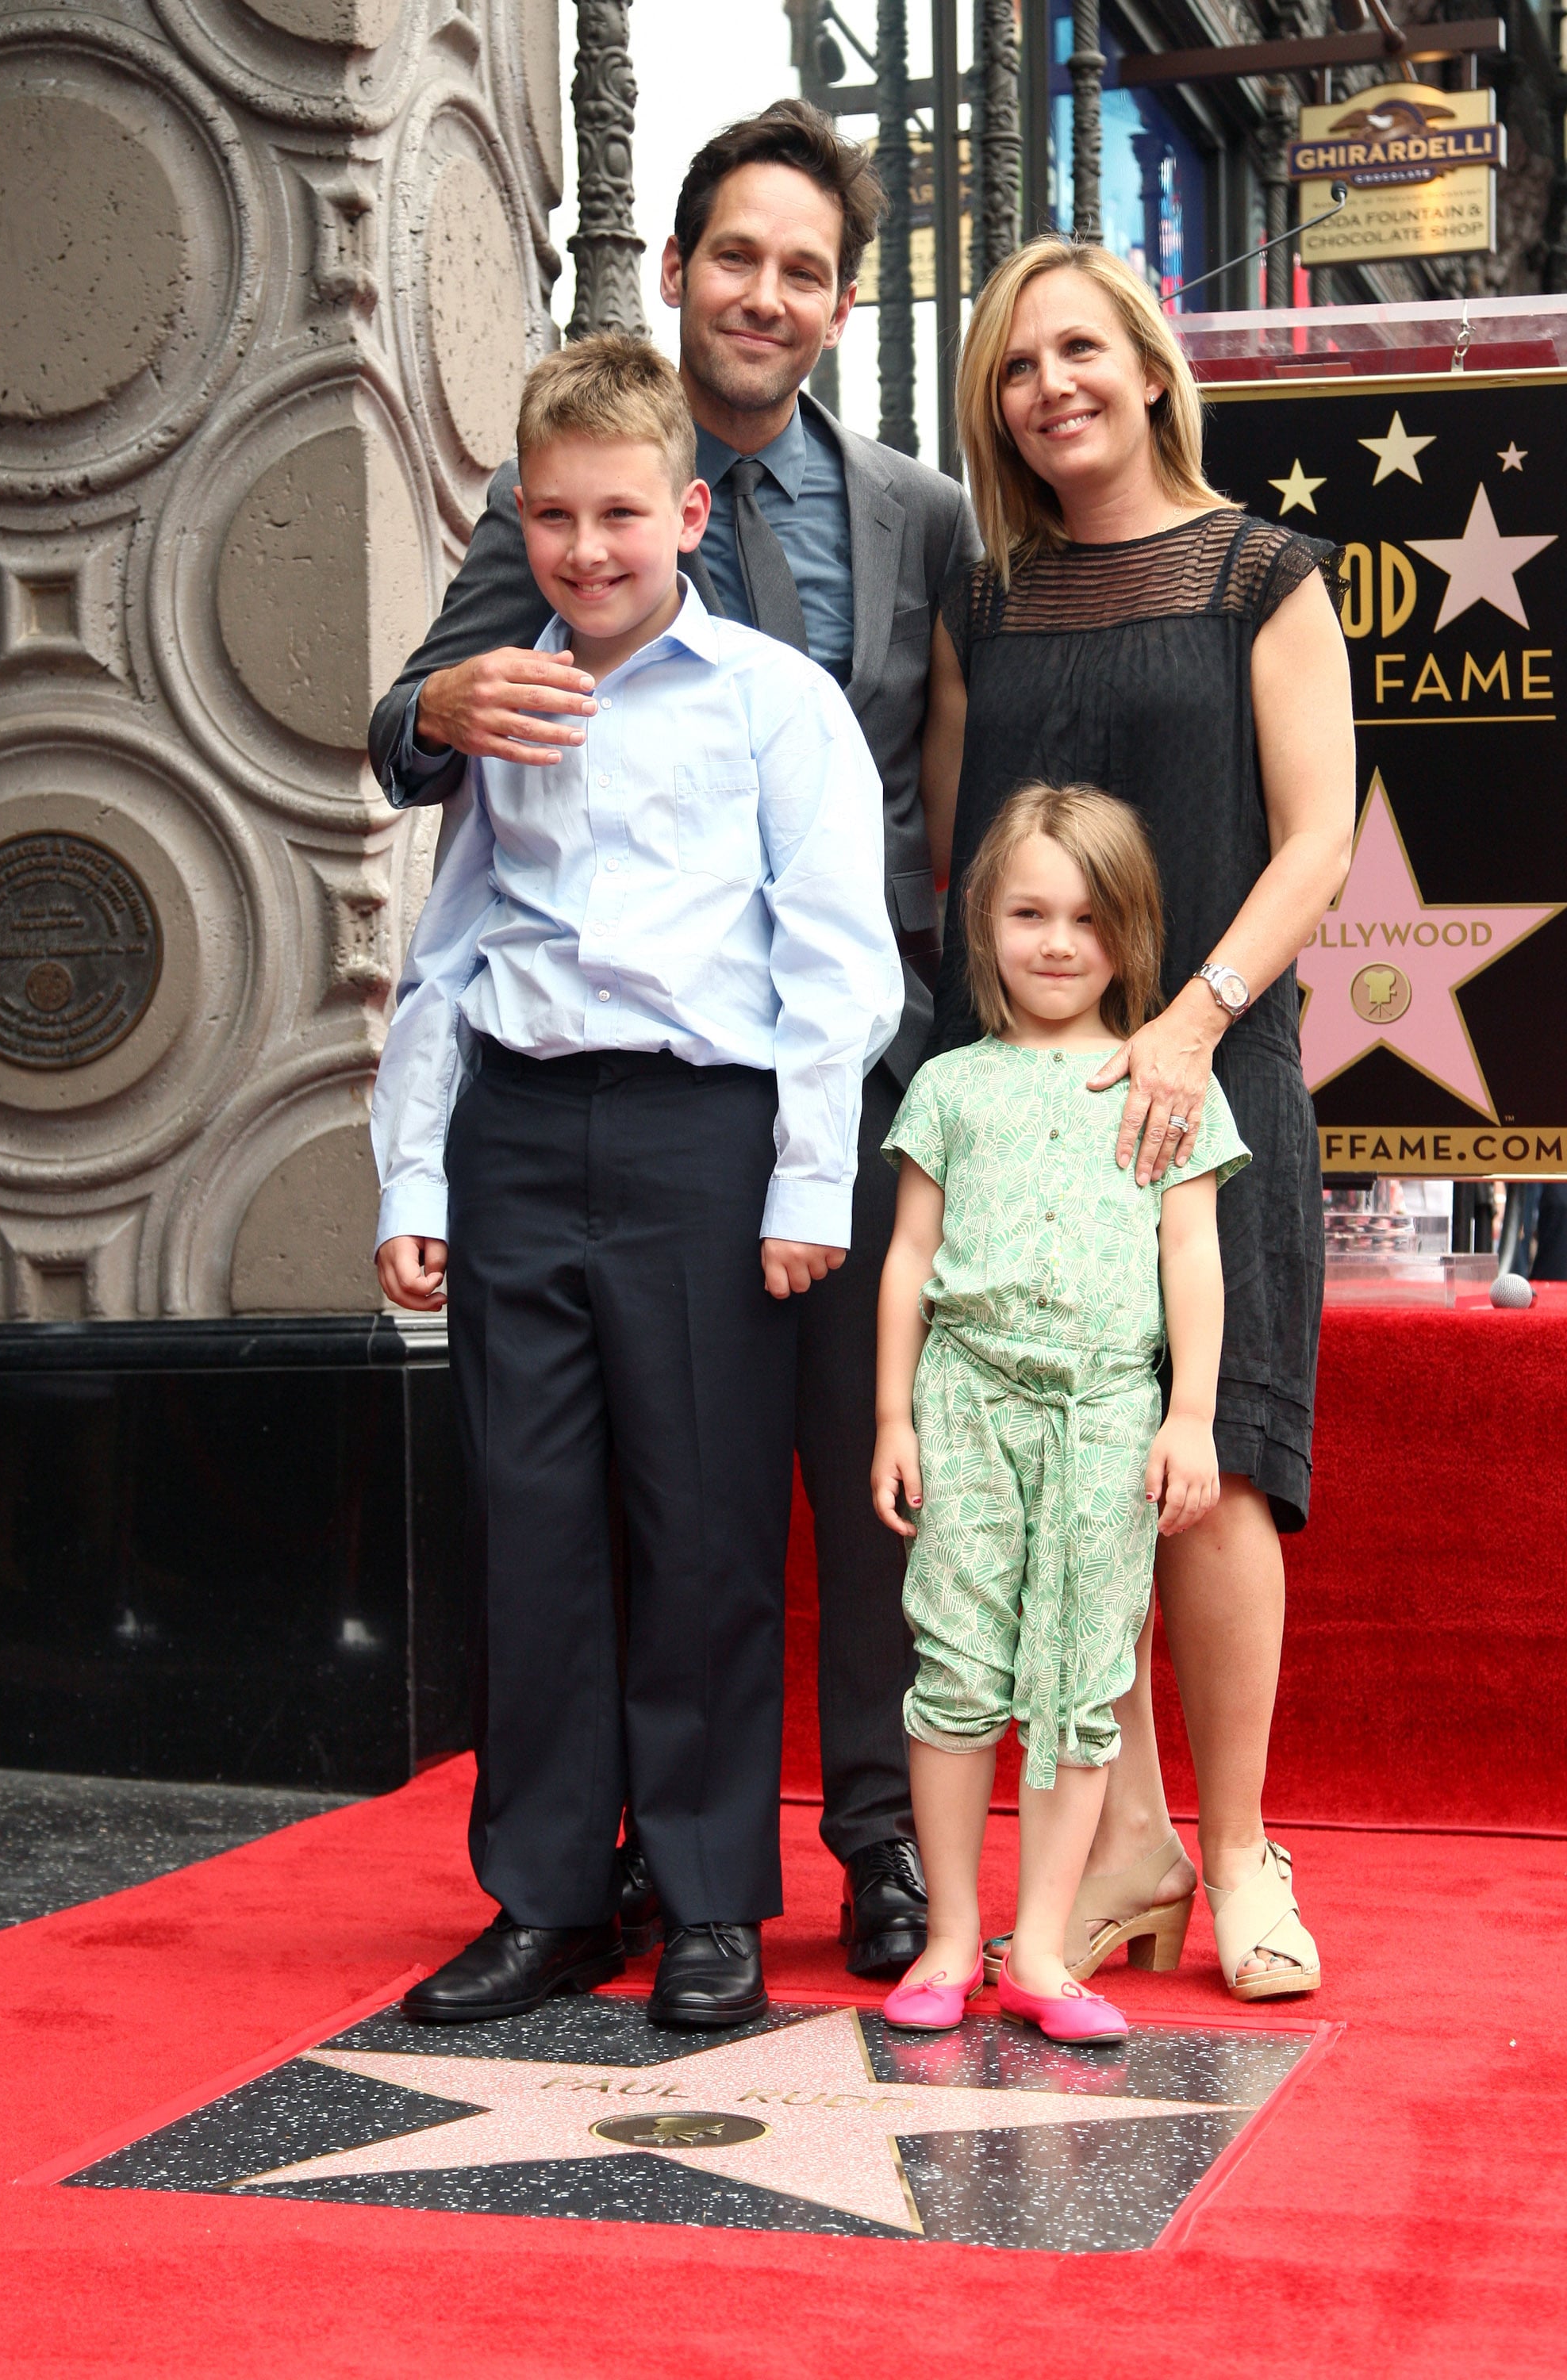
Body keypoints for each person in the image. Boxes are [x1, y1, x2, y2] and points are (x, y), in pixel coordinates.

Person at [367, 99, 979, 1980]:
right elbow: (443, 840)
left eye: (805, 269)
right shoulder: (540, 585)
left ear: (839, 302)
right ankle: (564, 1880)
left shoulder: (906, 525)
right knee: (554, 1514)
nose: (766, 293)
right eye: (738, 255)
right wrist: (441, 706)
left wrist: (867, 1118)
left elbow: (922, 831)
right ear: (682, 266)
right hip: (548, 1119)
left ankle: (805, 1864)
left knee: (781, 1499)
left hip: (800, 1092)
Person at [927, 236, 1354, 2002]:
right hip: (1031, 1105)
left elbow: (1316, 837)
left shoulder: (1264, 572)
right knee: (1063, 1480)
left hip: (1214, 1075)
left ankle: (1244, 1850)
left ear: (1151, 365)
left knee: (1215, 1466)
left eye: (1080, 351)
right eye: (1018, 368)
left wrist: (1185, 1022)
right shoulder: (983, 597)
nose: (1052, 390)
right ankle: (1131, 1847)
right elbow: (963, 865)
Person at [870, 785, 1249, 2041]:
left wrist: (1188, 1417)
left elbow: (1191, 1258)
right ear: (984, 926)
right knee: (961, 1667)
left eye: (1087, 918)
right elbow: (909, 1259)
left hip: (1104, 1416)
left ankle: (1040, 1950)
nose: (1057, 943)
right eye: (1030, 912)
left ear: (1130, 934)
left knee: (1084, 1678)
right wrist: (894, 1418)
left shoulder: (1165, 1082)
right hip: (967, 1401)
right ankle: (944, 1940)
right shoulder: (949, 1086)